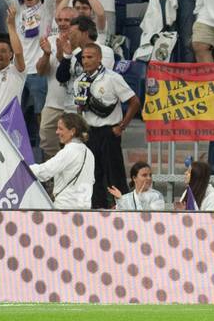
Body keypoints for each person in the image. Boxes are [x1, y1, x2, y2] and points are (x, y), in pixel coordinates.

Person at [57, 42, 139, 208]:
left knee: (114, 174)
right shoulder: (79, 81)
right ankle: (96, 209)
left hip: (109, 132)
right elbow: (80, 108)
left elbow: (134, 102)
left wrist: (121, 126)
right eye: (84, 57)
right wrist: (81, 132)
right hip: (90, 133)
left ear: (100, 58)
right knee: (92, 175)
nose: (86, 61)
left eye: (90, 57)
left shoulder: (112, 78)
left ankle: (125, 210)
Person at [32, 112, 95, 210]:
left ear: (72, 131)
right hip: (85, 211)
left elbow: (44, 172)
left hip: (65, 210)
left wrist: (22, 167)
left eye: (60, 128)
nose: (57, 132)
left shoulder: (69, 151)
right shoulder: (89, 153)